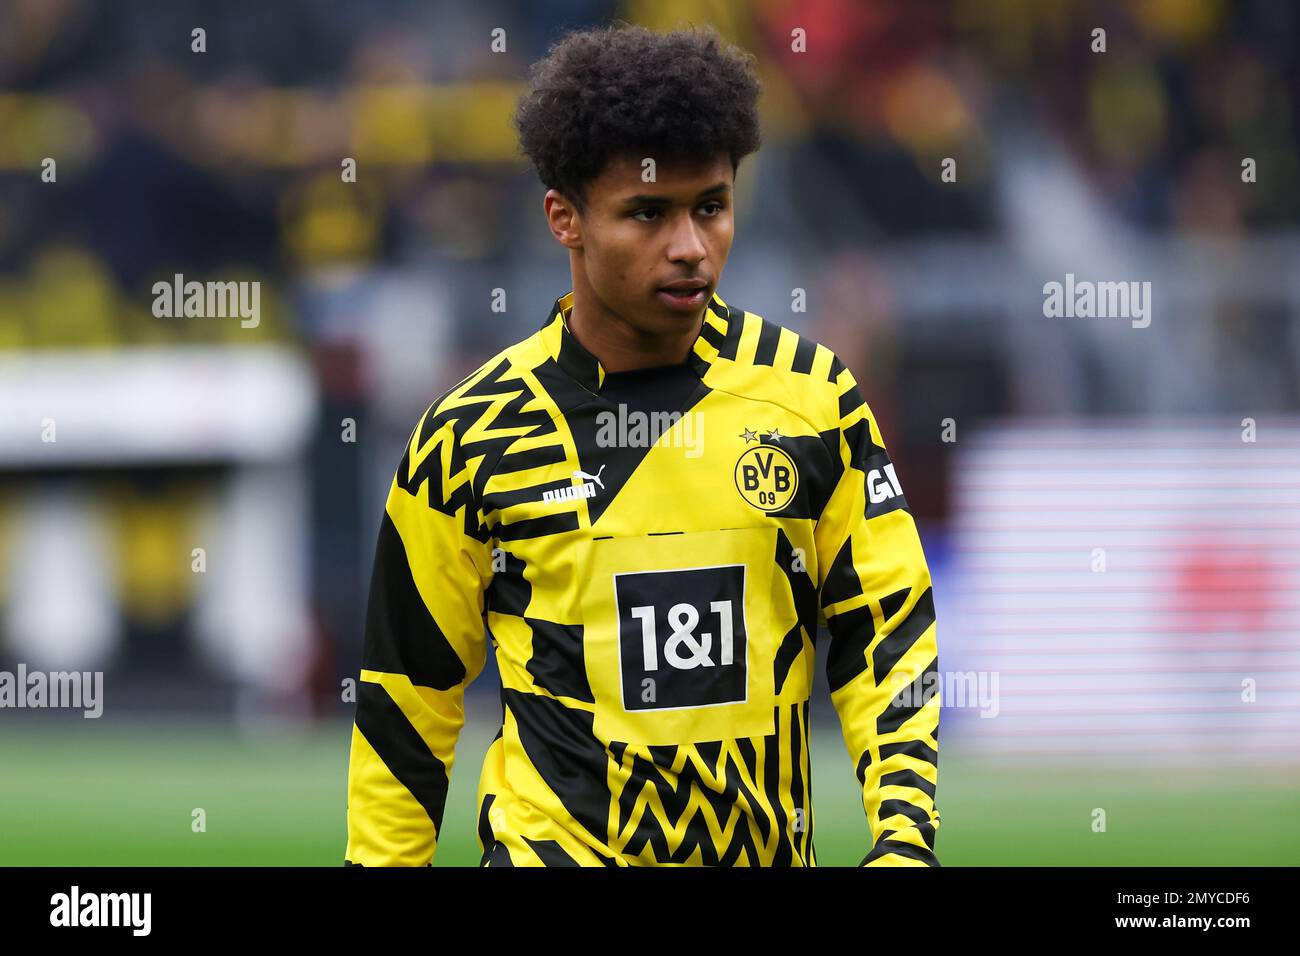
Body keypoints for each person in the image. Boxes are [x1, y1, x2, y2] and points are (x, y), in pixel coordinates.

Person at [344, 22, 941, 867]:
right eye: (648, 214)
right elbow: (408, 700)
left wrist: (906, 838)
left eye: (712, 206)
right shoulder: (468, 436)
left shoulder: (814, 399)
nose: (691, 247)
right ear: (566, 219)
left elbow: (886, 633)